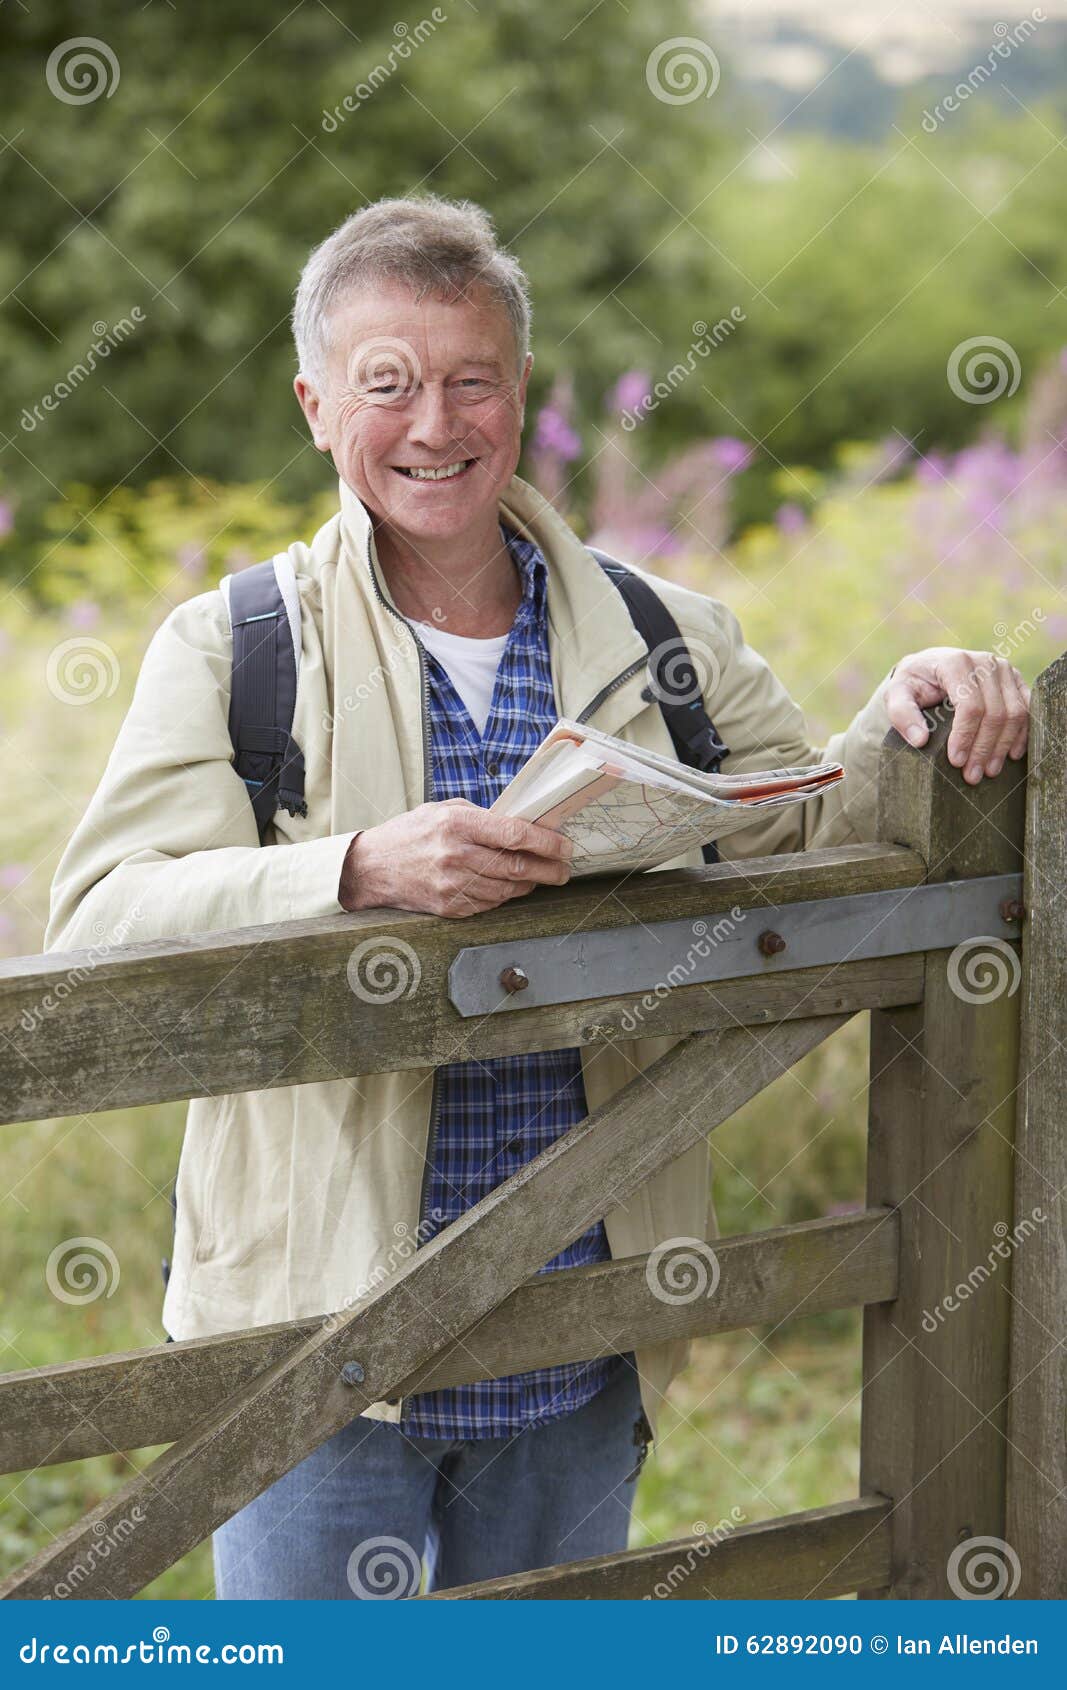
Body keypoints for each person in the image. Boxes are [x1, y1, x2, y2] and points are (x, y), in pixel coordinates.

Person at [44, 193, 1031, 1599]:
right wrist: (356, 868)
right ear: (319, 405)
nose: (434, 422)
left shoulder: (668, 635)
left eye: (472, 379)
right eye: (387, 383)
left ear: (523, 394)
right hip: (314, 1332)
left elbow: (806, 823)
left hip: (586, 1310)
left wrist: (904, 702)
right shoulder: (235, 646)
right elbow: (101, 919)